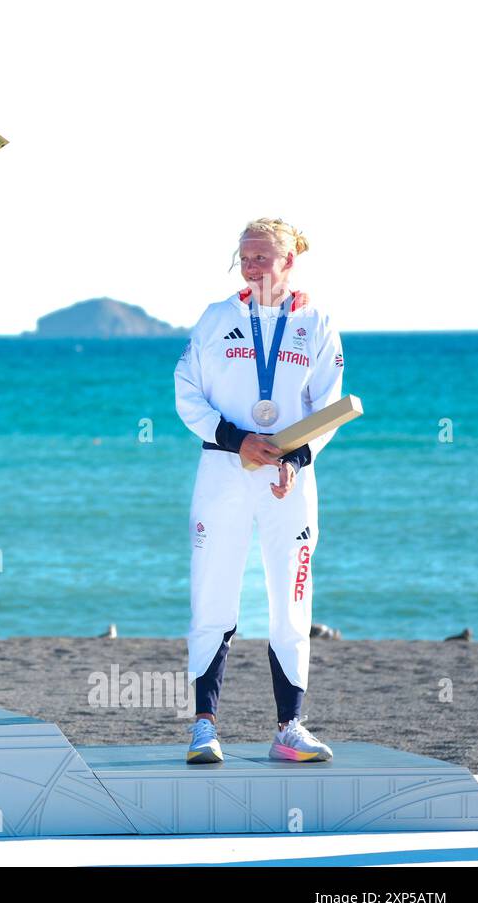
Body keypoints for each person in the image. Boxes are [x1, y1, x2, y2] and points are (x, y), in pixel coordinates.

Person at [174, 218, 345, 763]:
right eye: (244, 257)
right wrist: (235, 439)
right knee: (212, 594)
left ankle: (290, 727)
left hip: (287, 480)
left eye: (261, 258)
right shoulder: (217, 318)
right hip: (224, 472)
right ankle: (204, 726)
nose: (250, 266)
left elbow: (328, 406)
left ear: (289, 261)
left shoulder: (315, 321)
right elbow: (187, 394)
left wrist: (295, 454)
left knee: (291, 601)